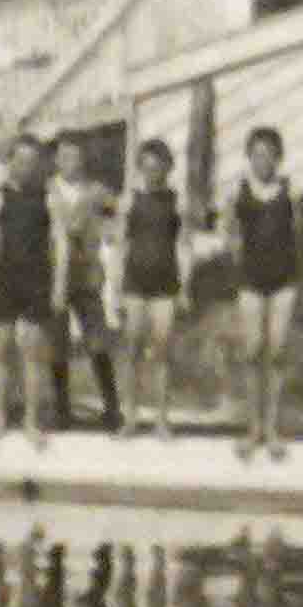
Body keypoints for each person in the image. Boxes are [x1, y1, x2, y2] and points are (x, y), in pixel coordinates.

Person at [0, 130, 62, 452]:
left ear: (39, 165)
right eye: (20, 160)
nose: (26, 167)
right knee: (0, 352)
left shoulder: (47, 196)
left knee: (31, 354)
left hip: (36, 282)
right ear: (9, 162)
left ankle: (30, 422)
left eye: (32, 161)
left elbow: (61, 243)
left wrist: (58, 286)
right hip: (4, 281)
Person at [225, 125, 302, 462]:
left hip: (284, 280)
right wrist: (237, 254)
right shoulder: (238, 193)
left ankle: (272, 429)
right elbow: (229, 234)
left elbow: (299, 236)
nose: (263, 161)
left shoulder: (290, 192)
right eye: (257, 155)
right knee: (253, 350)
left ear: (279, 158)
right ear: (248, 157)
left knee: (278, 350)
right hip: (251, 280)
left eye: (269, 155)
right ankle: (252, 428)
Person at [113, 135, 190, 436]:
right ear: (139, 168)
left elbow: (184, 246)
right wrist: (115, 289)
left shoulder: (176, 201)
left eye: (157, 167)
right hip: (134, 283)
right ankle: (130, 417)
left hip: (165, 286)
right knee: (131, 349)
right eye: (146, 167)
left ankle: (161, 419)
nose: (151, 172)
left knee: (161, 351)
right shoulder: (130, 200)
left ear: (168, 168)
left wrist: (185, 286)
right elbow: (120, 246)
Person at [47, 128, 122, 434]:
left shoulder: (97, 190)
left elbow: (120, 215)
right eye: (64, 156)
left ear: (84, 159)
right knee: (57, 343)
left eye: (75, 156)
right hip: (56, 276)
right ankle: (61, 409)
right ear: (56, 159)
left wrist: (109, 233)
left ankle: (112, 407)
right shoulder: (46, 191)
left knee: (97, 340)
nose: (70, 162)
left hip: (89, 275)